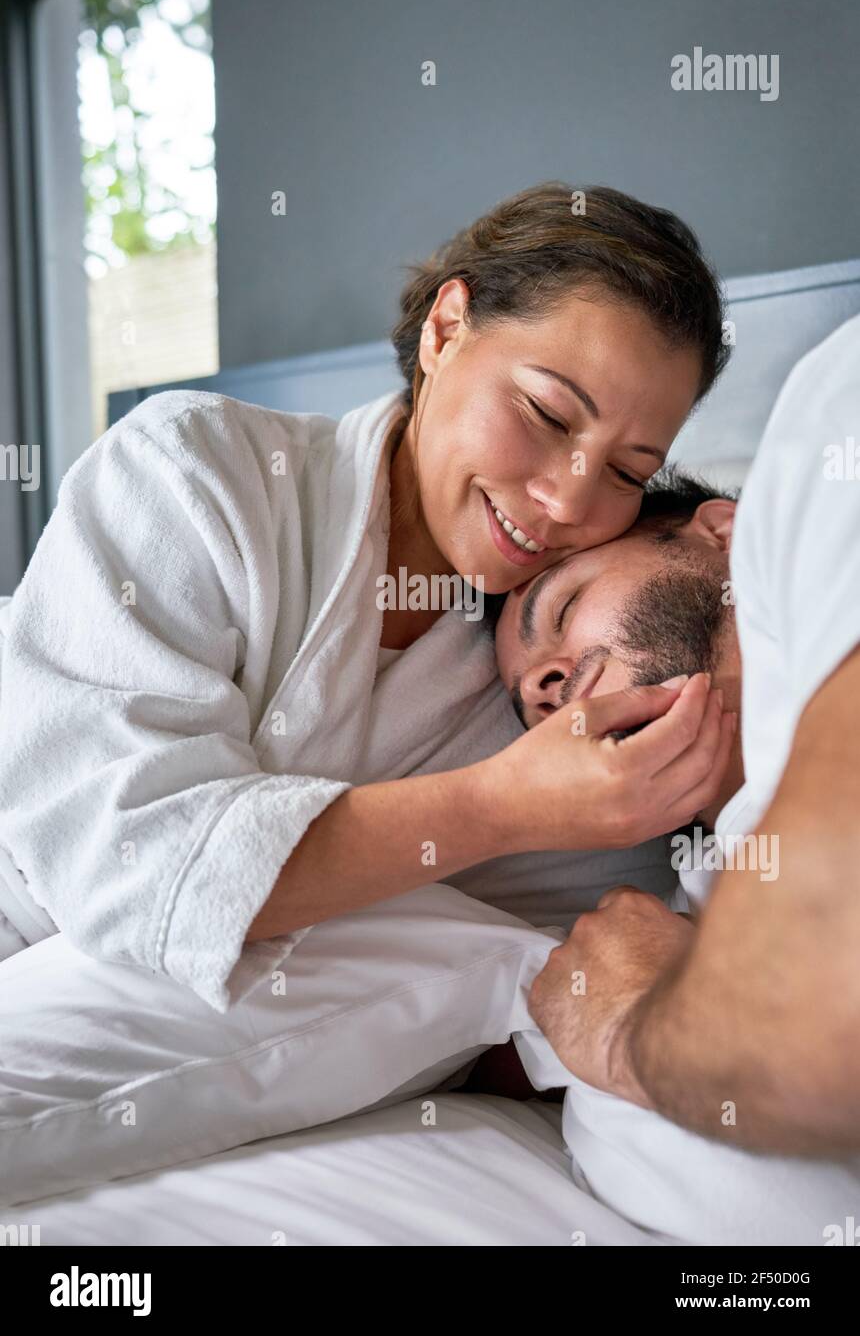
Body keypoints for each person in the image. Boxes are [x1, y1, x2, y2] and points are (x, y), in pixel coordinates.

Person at [0, 182, 732, 1011]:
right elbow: (125, 858)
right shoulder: (196, 473)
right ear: (447, 330)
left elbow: (533, 985)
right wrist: (501, 806)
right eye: (547, 415)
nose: (568, 502)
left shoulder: (544, 689)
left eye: (627, 472)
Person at [496, 312, 860, 1159]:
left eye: (563, 608)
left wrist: (627, 1028)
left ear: (720, 531)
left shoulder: (820, 464)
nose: (546, 686)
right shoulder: (689, 907)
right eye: (529, 702)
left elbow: (818, 1024)